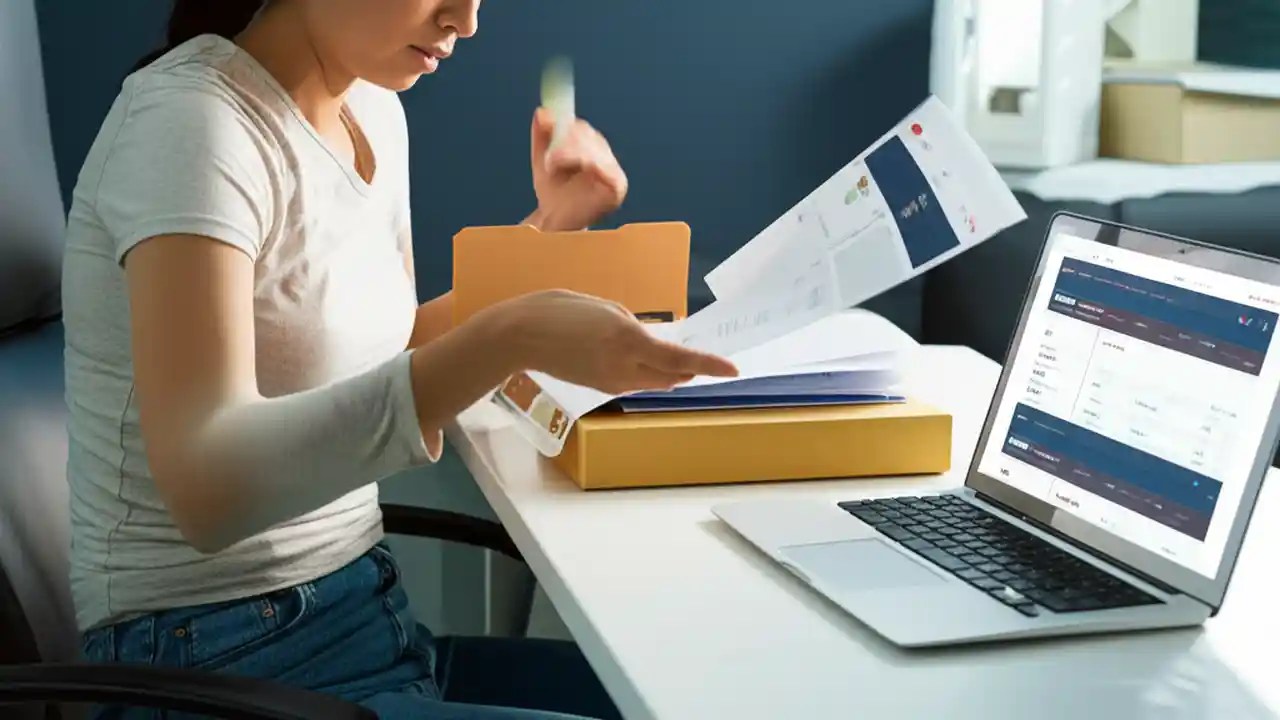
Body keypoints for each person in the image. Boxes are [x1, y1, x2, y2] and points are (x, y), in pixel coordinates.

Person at [61, 1, 738, 718]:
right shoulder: (193, 124)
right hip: (208, 663)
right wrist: (511, 336)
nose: (465, 20)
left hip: (367, 620)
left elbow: (392, 350)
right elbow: (207, 491)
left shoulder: (372, 110)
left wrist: (552, 231)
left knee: (692, 699)